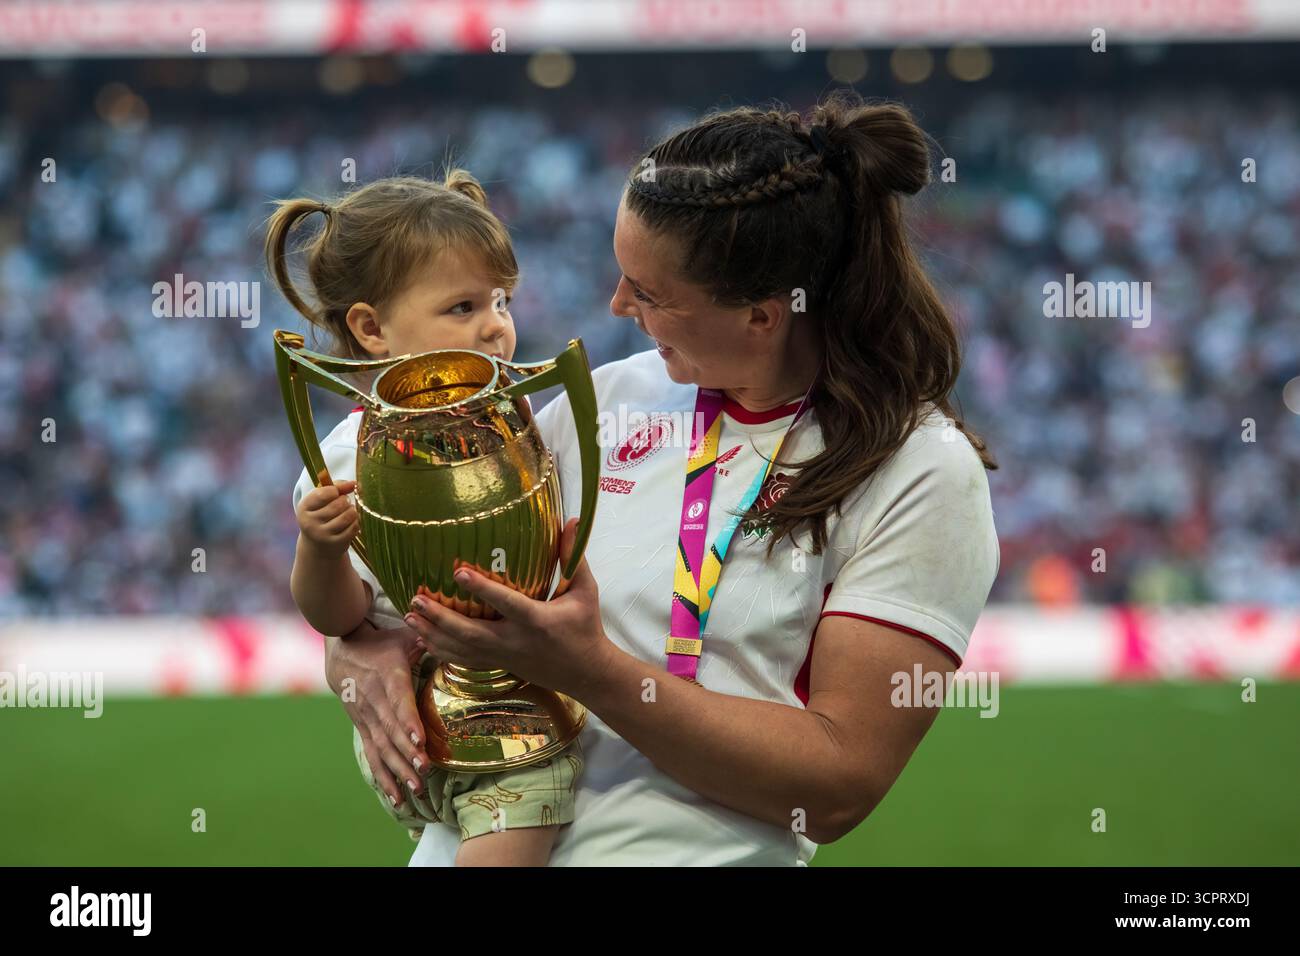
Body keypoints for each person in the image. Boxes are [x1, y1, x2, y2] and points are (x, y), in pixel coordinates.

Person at [327, 91, 1001, 866]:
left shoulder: (921, 470)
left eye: (649, 293)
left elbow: (839, 784)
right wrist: (357, 650)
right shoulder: (612, 398)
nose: (618, 307)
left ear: (762, 314)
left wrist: (595, 672)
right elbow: (430, 582)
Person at [266, 172, 584, 866]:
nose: (496, 324)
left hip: (480, 731)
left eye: (502, 300)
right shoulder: (347, 457)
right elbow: (342, 618)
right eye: (463, 306)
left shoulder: (517, 423)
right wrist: (318, 551)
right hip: (461, 731)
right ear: (371, 328)